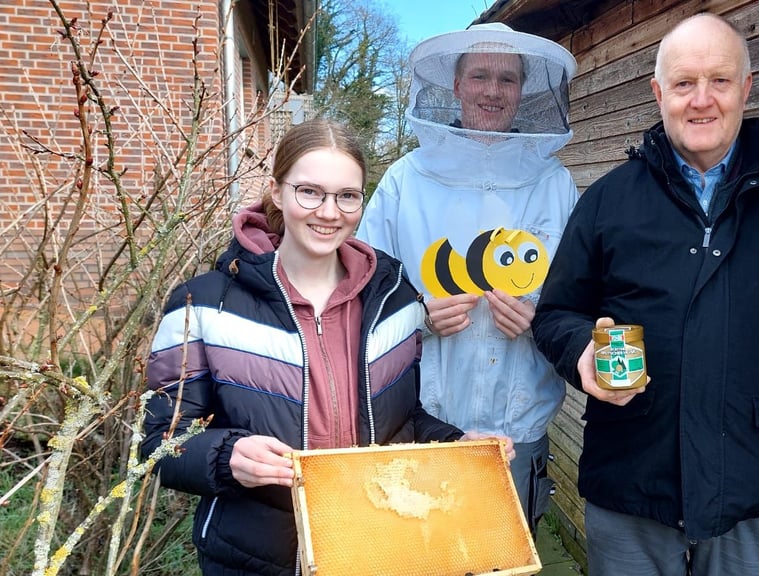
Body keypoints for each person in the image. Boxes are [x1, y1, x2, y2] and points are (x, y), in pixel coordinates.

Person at [531, 13, 759, 576]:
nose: (702, 100)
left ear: (746, 87)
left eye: (719, 80)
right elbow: (556, 313)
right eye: (684, 83)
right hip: (630, 489)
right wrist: (582, 351)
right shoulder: (607, 201)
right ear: (658, 92)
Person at [142, 119, 511, 575]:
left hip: (376, 546)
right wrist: (225, 455)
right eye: (310, 192)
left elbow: (403, 420)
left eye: (347, 196)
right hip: (258, 556)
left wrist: (458, 447)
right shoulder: (204, 305)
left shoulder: (394, 299)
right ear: (277, 192)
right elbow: (160, 442)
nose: (330, 212)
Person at [357, 22, 578, 531]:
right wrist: (418, 314)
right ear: (455, 86)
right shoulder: (404, 181)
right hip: (421, 427)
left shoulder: (555, 184)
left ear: (524, 91)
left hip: (517, 430)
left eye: (507, 79)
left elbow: (578, 294)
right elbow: (363, 289)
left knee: (505, 557)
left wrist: (539, 316)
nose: (493, 91)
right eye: (479, 75)